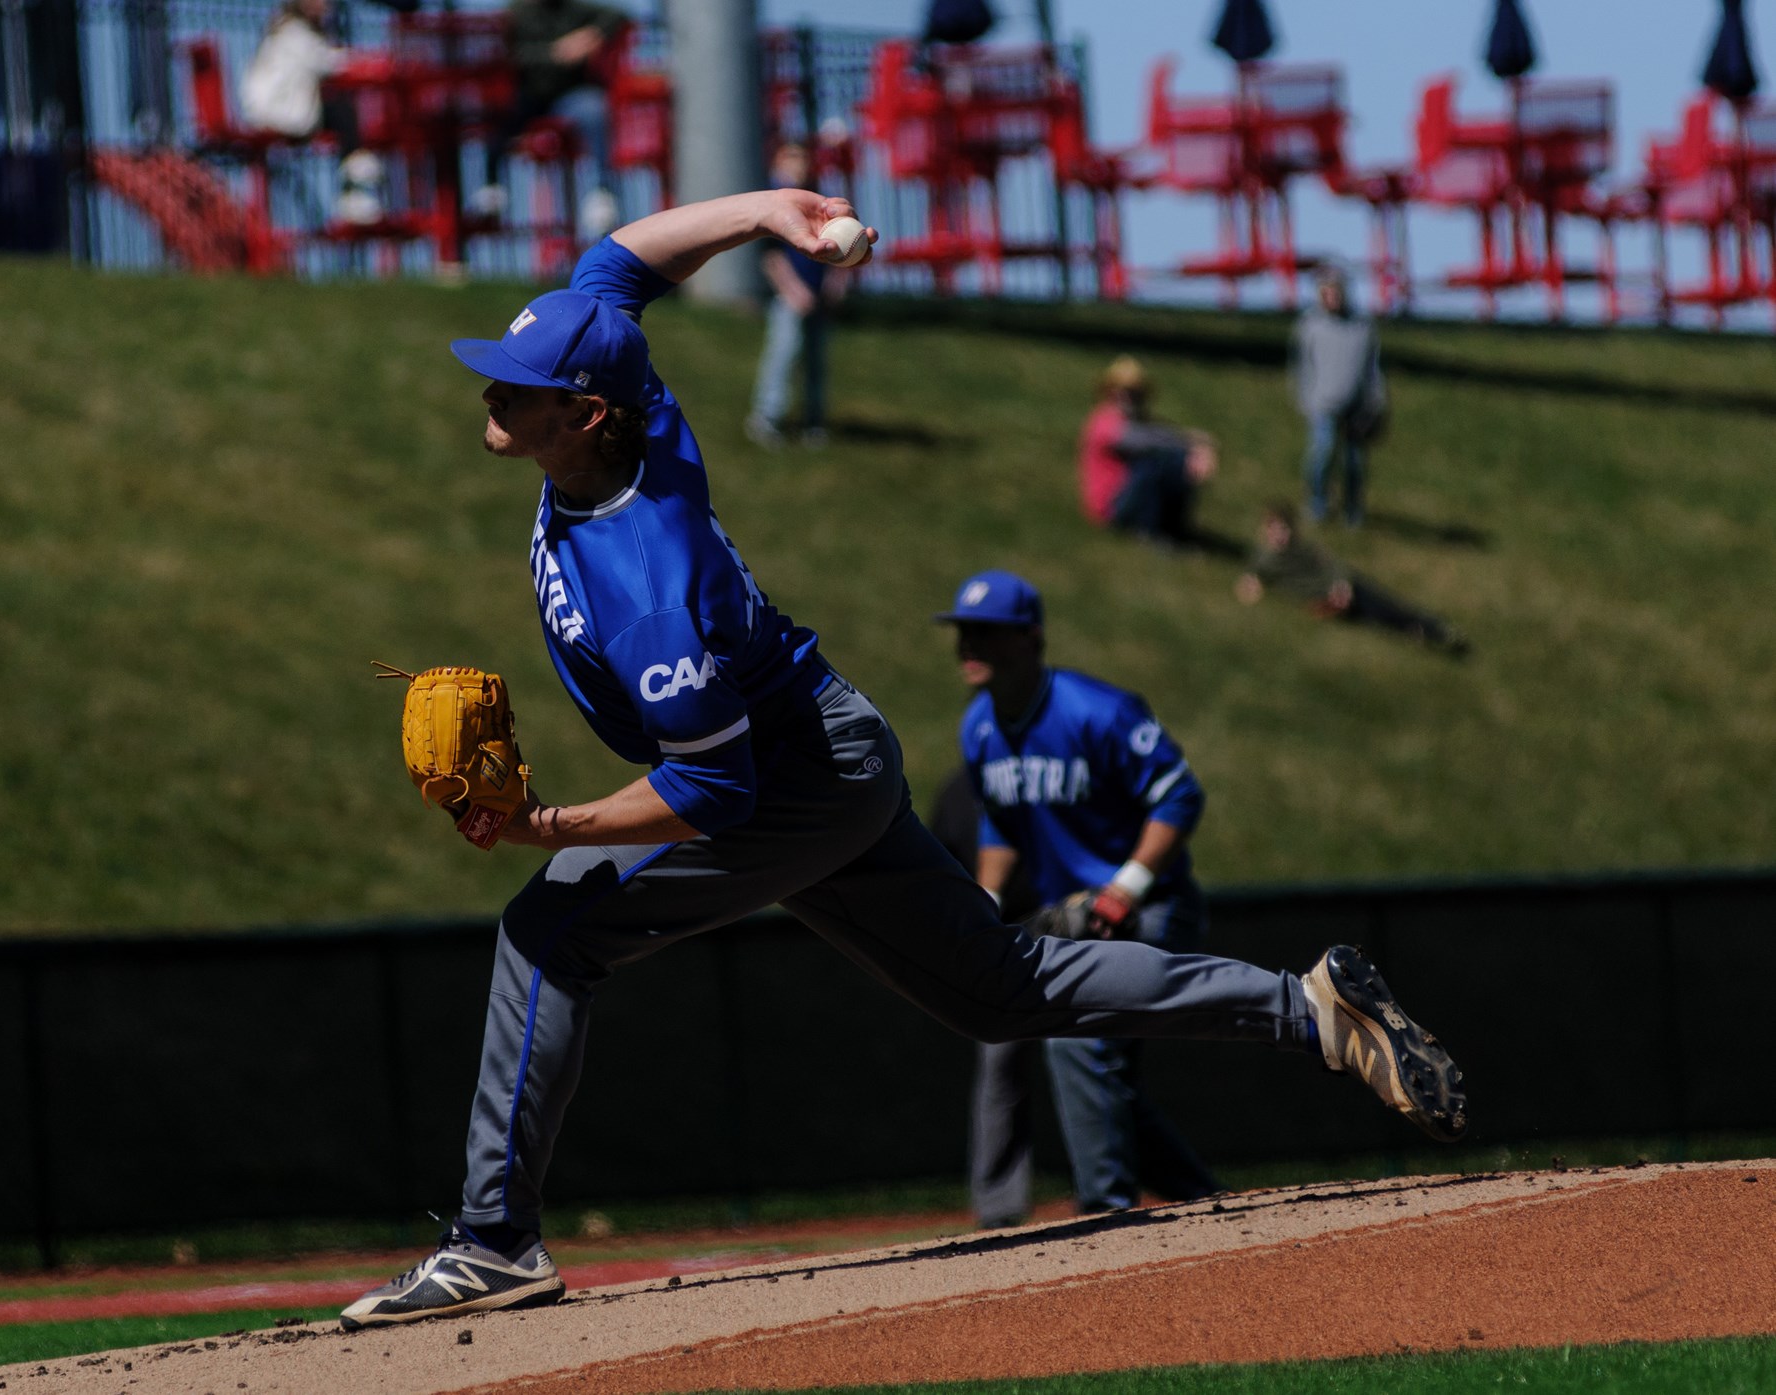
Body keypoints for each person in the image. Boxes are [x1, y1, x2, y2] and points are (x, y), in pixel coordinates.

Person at [336, 188, 1468, 1330]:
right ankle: (1313, 1008)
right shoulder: (620, 400)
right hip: (823, 745)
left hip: (791, 781)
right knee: (1000, 993)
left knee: (551, 931)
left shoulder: (652, 589)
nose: (491, 388)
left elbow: (710, 794)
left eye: (516, 386)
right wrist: (770, 209)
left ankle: (494, 1241)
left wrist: (551, 828)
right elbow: (616, 264)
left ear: (582, 415)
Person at [945, 571, 1221, 1225]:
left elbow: (1179, 795)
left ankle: (1105, 1216)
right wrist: (984, 897)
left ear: (1031, 637)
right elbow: (1002, 824)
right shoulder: (980, 727)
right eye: (962, 630)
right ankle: (1205, 1202)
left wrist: (1126, 886)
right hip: (1073, 920)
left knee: (1077, 1040)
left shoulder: (1098, 709)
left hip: (1152, 908)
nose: (968, 644)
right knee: (1094, 1072)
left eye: (987, 631)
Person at [1236, 502, 1468, 656]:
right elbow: (1251, 577)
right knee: (1380, 618)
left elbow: (1330, 562)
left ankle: (1435, 629)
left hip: (1346, 584)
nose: (1281, 536)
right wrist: (1250, 586)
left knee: (1390, 607)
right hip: (1328, 600)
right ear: (1266, 531)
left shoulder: (1302, 547)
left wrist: (1341, 584)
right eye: (1276, 531)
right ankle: (1426, 631)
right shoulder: (1265, 559)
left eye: (1284, 530)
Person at [238, 0, 389, 223]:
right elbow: (331, 62)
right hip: (283, 116)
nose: (327, 6)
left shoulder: (285, 30)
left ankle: (356, 181)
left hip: (280, 113)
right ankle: (356, 185)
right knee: (343, 112)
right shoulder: (295, 34)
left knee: (342, 112)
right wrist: (374, 61)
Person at [493, 0, 628, 243]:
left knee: (595, 109)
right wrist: (555, 53)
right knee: (495, 114)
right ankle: (492, 184)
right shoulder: (514, 14)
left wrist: (590, 35)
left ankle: (602, 191)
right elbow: (506, 55)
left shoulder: (574, 9)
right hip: (528, 96)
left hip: (571, 95)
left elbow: (617, 16)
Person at [746, 143, 846, 450]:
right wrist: (791, 289)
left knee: (816, 361)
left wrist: (835, 280)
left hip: (817, 295)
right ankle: (766, 418)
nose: (799, 165)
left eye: (803, 158)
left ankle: (814, 423)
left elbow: (839, 247)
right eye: (791, 158)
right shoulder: (773, 204)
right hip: (791, 297)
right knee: (785, 353)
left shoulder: (821, 203)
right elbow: (770, 255)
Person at [1077, 356, 1217, 546]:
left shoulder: (1137, 421)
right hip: (1111, 507)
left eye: (1135, 392)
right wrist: (1191, 443)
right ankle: (1151, 533)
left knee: (1176, 461)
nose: (1129, 397)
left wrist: (1193, 452)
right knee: (1155, 464)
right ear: (1111, 391)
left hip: (1128, 497)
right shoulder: (1104, 421)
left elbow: (1156, 435)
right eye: (1124, 391)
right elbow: (1141, 441)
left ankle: (1174, 530)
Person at [1291, 268, 1386, 527]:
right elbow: (1302, 367)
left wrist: (1377, 401)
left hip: (1356, 407)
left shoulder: (1362, 326)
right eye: (1327, 293)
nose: (1332, 298)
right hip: (1323, 405)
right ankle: (1317, 504)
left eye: (1336, 293)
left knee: (1354, 464)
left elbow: (1372, 368)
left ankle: (1352, 511)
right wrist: (1306, 400)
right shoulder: (1310, 326)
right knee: (1321, 456)